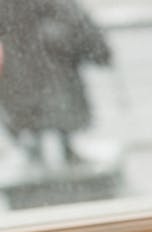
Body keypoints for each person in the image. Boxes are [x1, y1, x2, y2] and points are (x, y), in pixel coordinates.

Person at [0, 0, 111, 165]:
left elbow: (75, 22)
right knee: (45, 108)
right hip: (34, 64)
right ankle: (48, 149)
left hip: (43, 63)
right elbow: (77, 22)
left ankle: (47, 149)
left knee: (47, 108)